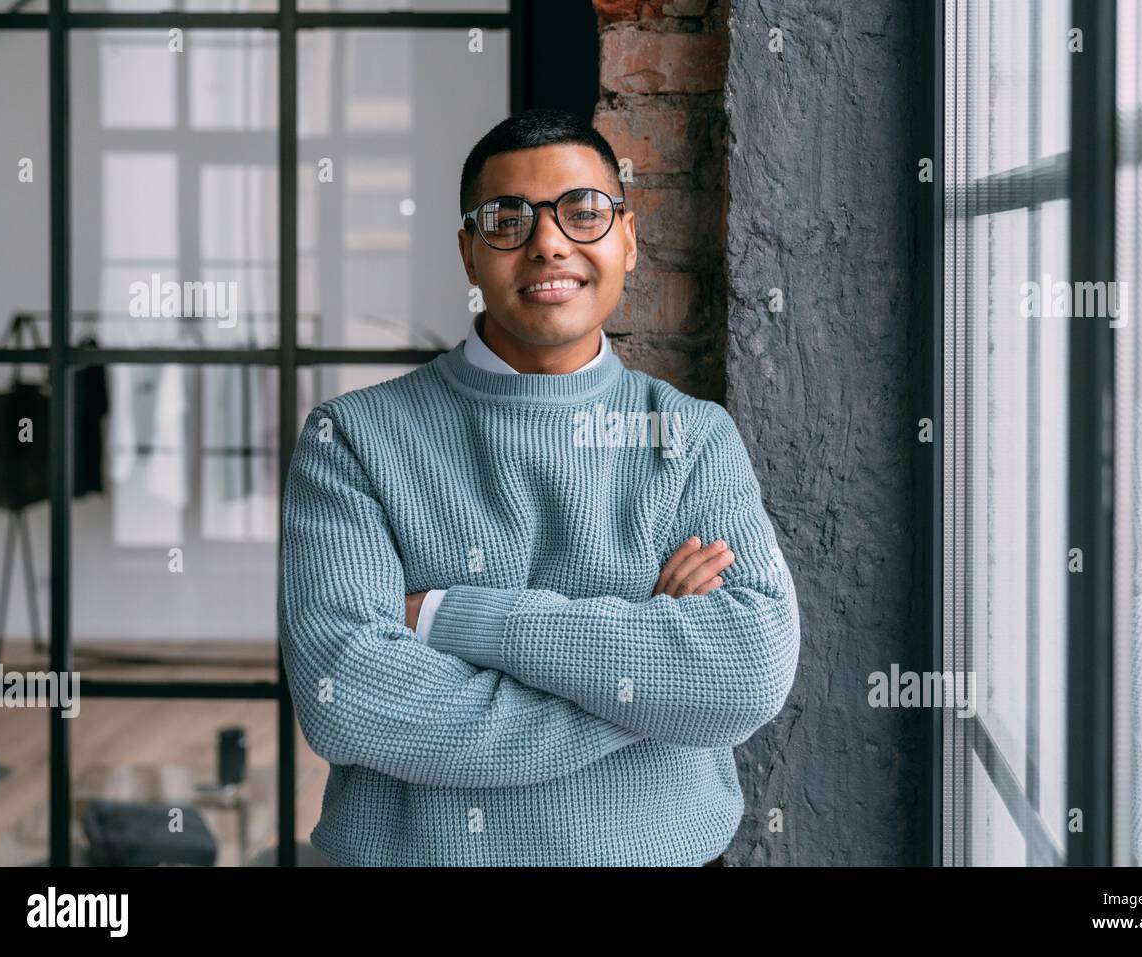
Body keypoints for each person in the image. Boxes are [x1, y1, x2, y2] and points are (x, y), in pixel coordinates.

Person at [278, 108, 801, 867]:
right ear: (467, 252)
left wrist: (452, 617)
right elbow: (347, 699)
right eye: (507, 218)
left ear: (627, 236)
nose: (549, 241)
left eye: (583, 212)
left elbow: (747, 670)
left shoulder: (692, 436)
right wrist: (649, 679)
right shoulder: (350, 439)